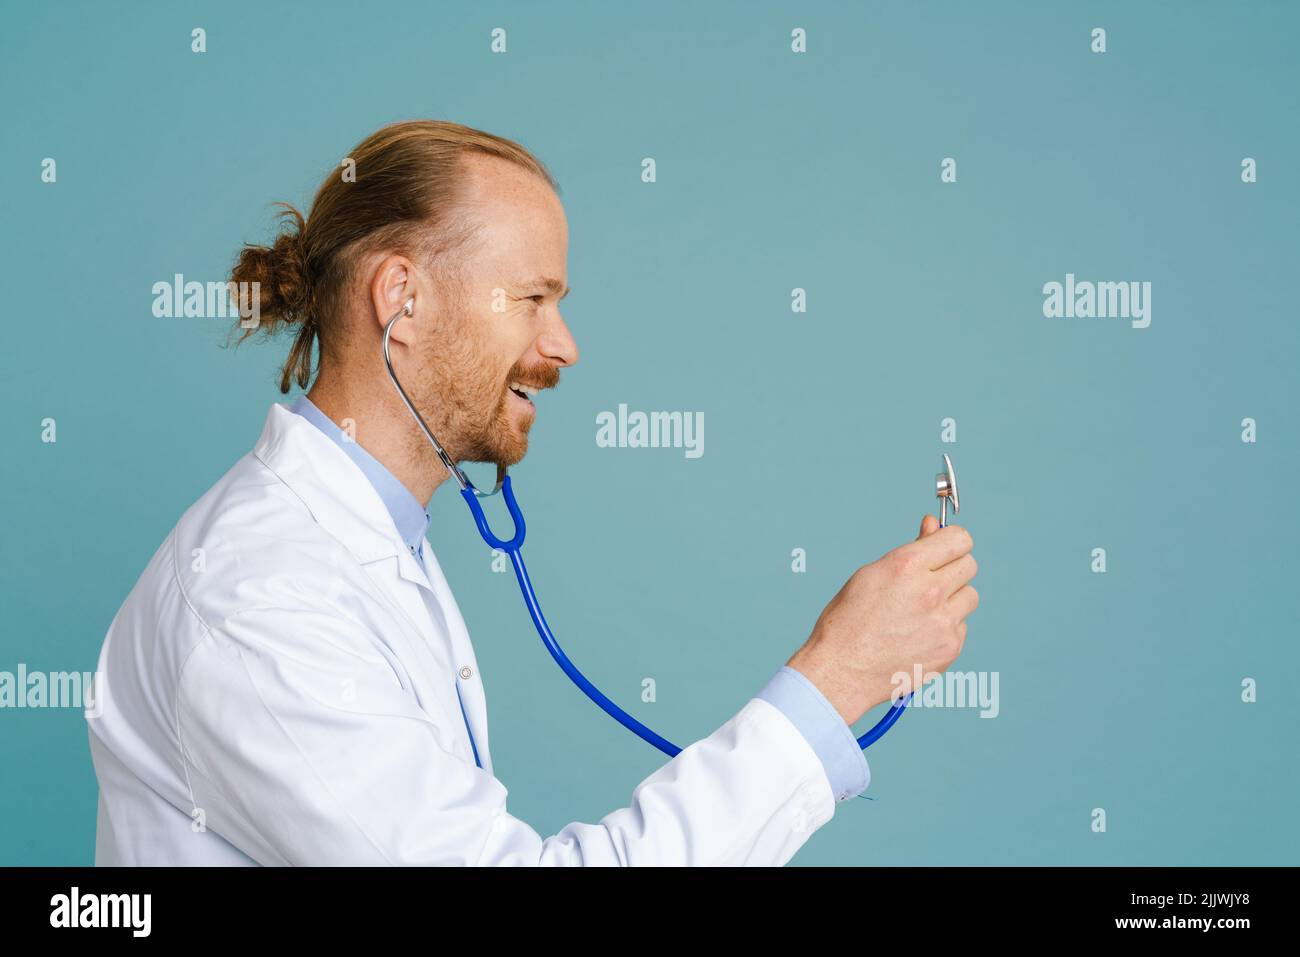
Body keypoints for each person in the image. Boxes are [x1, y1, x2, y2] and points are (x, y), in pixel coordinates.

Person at [87, 119, 979, 866]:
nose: (564, 345)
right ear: (402, 299)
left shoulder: (366, 545)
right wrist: (840, 675)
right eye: (531, 299)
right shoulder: (261, 593)